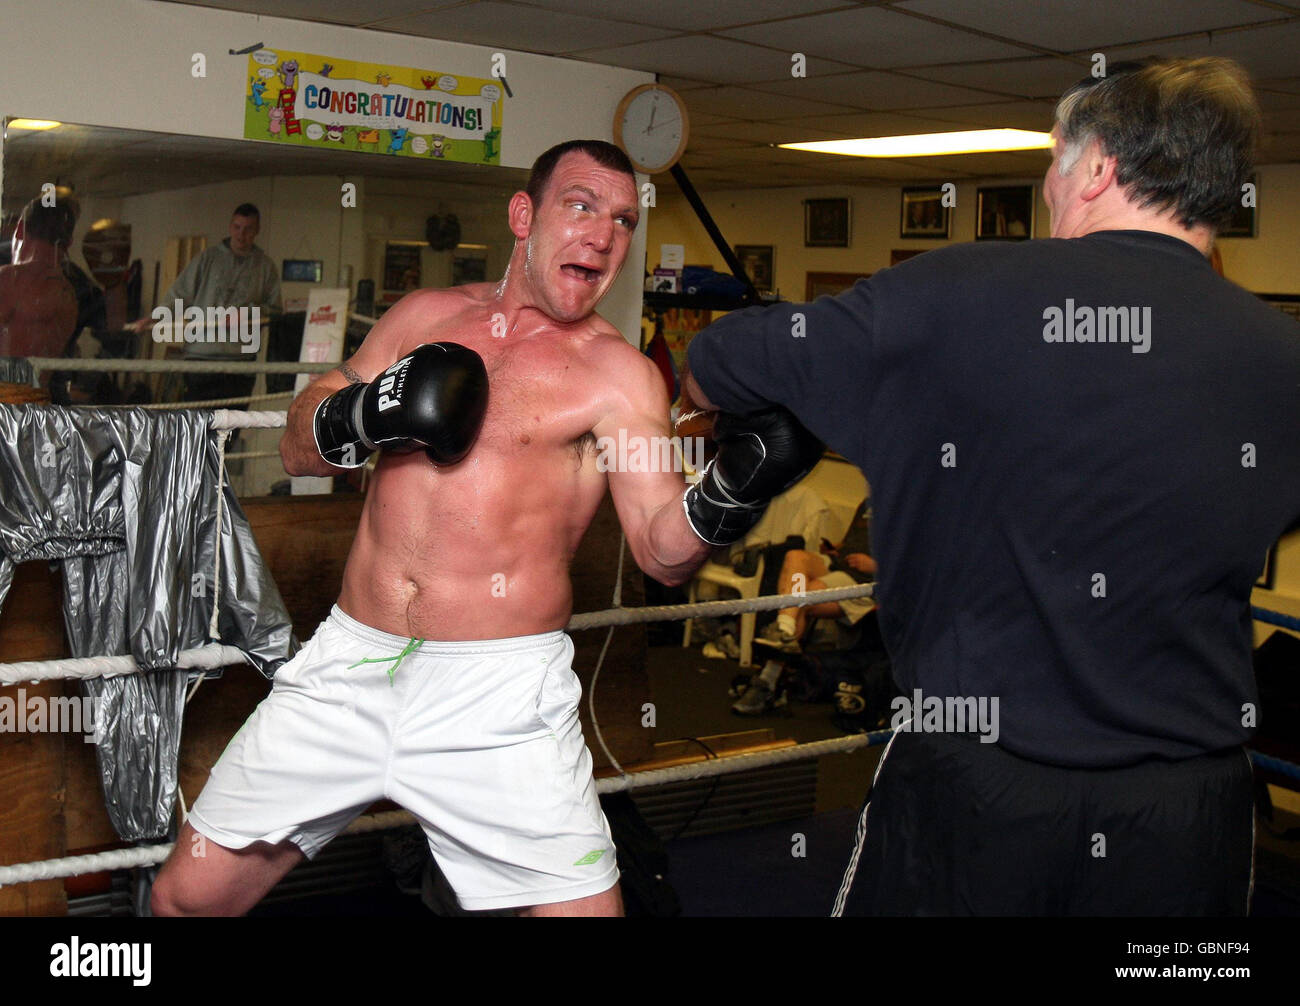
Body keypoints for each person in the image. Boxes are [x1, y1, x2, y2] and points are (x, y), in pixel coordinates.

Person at [684, 57, 1300, 915]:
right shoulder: (1281, 357)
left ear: (1097, 168)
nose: (1048, 185)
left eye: (1055, 158)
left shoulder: (962, 292)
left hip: (977, 782)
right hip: (1187, 809)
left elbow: (715, 364)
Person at [150, 139, 821, 917]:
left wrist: (736, 488)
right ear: (523, 214)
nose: (603, 235)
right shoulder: (420, 317)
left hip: (499, 695)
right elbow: (301, 442)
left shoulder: (620, 377)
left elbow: (661, 552)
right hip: (349, 664)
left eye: (623, 220)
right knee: (186, 898)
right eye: (580, 205)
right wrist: (360, 412)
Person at [129, 203, 281, 402]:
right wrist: (152, 318)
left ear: (257, 230)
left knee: (232, 427)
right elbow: (179, 295)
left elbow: (276, 311)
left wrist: (248, 314)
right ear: (230, 227)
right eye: (237, 227)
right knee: (197, 426)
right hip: (200, 358)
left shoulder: (265, 267)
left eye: (248, 229)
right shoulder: (207, 259)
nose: (241, 234)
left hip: (241, 362)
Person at [0, 199, 78, 362]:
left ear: (20, 229)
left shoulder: (10, 279)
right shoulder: (68, 295)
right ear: (69, 243)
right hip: (40, 385)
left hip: (6, 384)